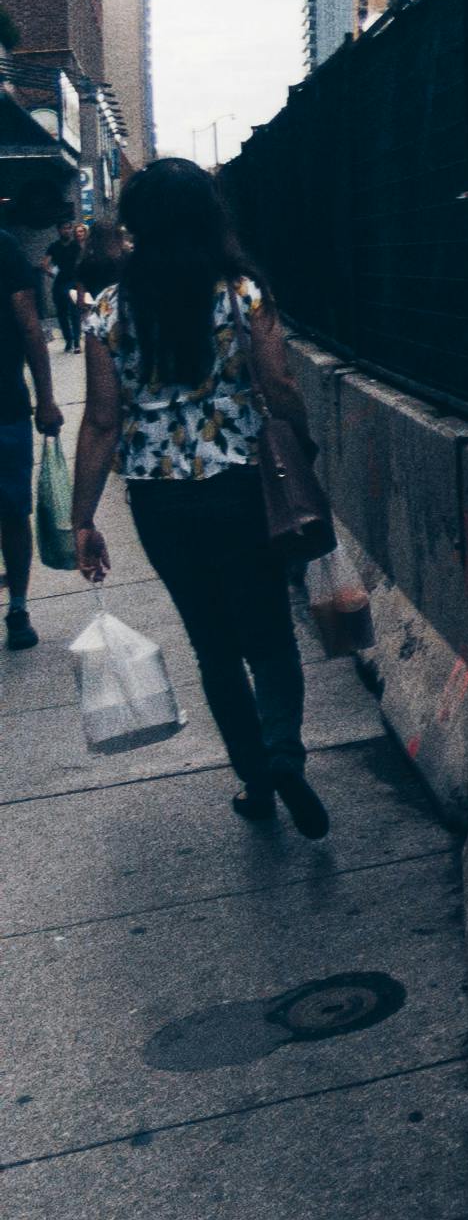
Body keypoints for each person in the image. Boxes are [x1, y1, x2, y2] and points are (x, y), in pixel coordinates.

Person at [66, 160, 328, 834]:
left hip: (161, 502)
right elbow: (279, 386)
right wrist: (301, 444)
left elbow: (100, 419)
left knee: (213, 646)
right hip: (244, 488)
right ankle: (284, 755)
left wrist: (82, 517)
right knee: (268, 634)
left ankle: (255, 781)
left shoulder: (107, 310)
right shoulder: (242, 292)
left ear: (139, 224)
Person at [1, 225, 59, 650]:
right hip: (6, 407)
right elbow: (30, 328)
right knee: (12, 513)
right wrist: (46, 399)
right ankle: (18, 609)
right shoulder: (4, 247)